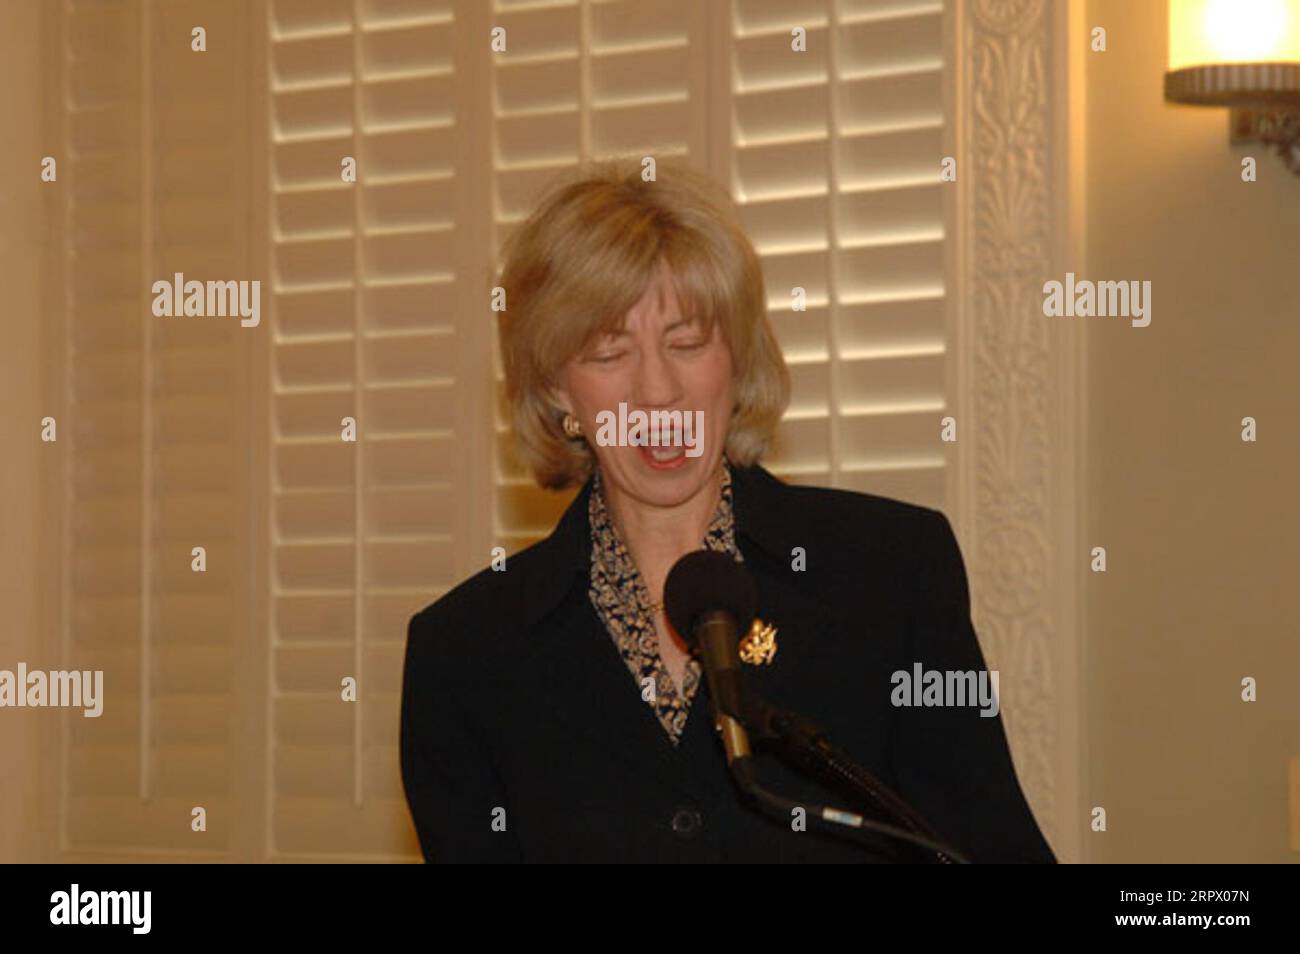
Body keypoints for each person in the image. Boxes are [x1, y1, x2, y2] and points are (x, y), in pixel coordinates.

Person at [400, 159, 1055, 863]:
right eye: (608, 352)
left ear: (738, 361)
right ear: (560, 393)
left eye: (687, 342)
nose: (657, 391)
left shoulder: (893, 574)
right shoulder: (465, 654)